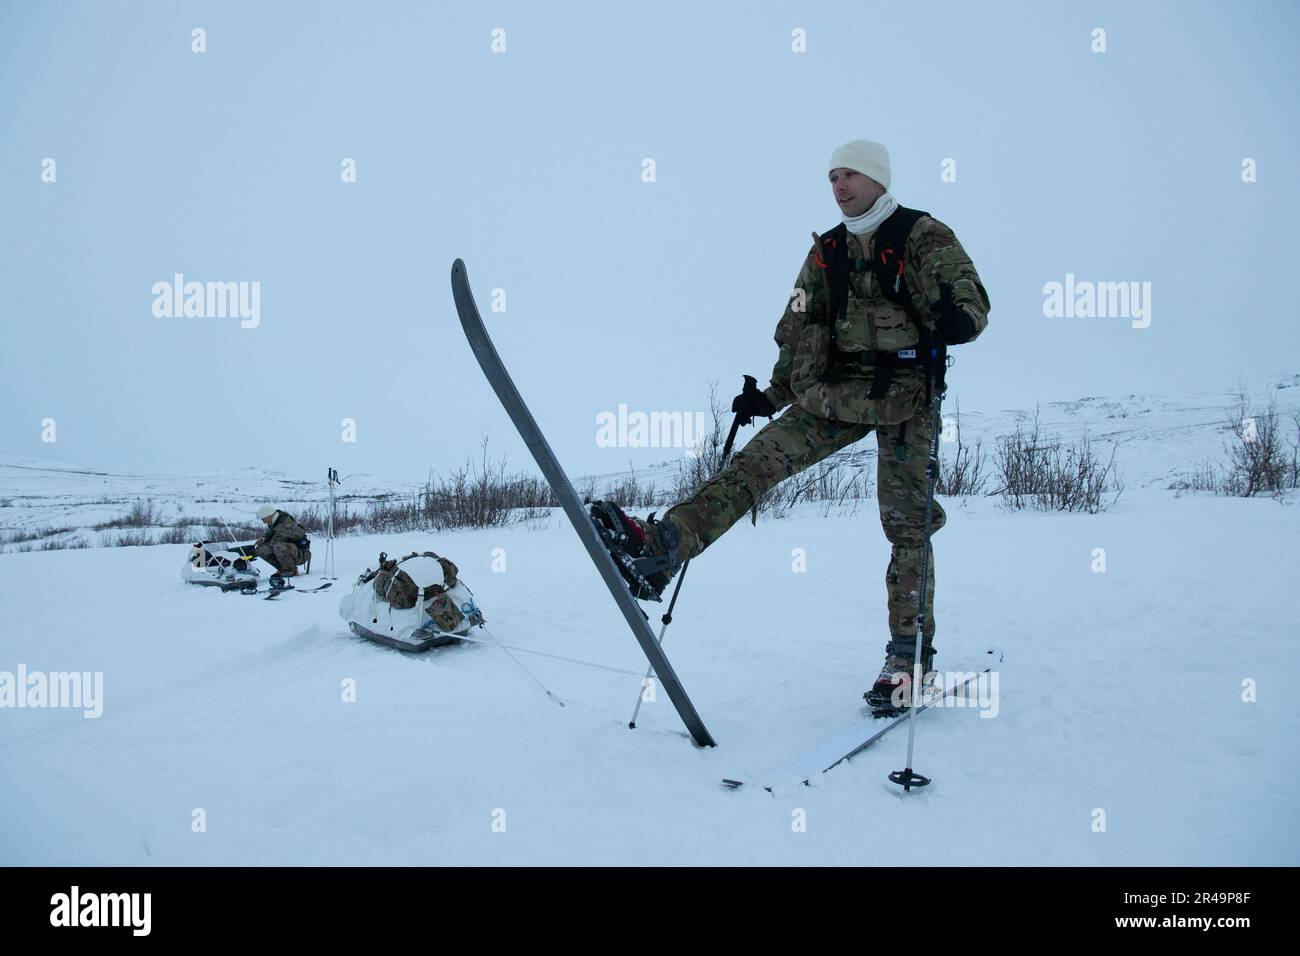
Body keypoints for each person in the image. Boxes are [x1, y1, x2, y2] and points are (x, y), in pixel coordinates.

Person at [590, 139, 990, 712]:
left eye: (850, 174)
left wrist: (959, 318)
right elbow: (798, 326)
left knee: (907, 524)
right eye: (832, 177)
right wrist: (773, 393)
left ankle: (909, 658)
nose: (840, 185)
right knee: (752, 465)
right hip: (834, 393)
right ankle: (660, 548)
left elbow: (973, 299)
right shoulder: (826, 251)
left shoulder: (922, 235)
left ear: (877, 178)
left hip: (906, 397)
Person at [254, 504, 309, 585]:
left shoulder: (286, 523)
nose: (263, 522)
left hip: (301, 554)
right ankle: (283, 568)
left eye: (264, 519)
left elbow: (277, 540)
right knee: (261, 549)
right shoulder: (274, 521)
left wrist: (268, 540)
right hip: (287, 550)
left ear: (270, 516)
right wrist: (264, 538)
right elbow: (270, 533)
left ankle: (291, 570)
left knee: (278, 546)